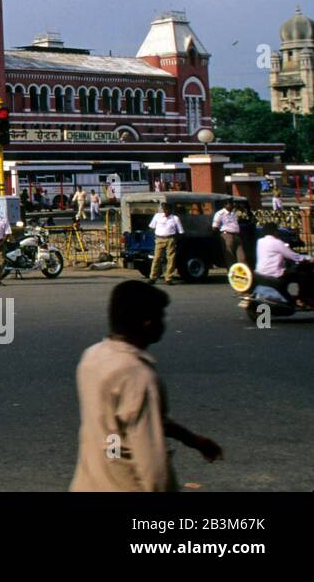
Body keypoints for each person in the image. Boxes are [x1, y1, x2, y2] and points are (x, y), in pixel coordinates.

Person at [71, 280, 222, 491]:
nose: (164, 322)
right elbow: (153, 464)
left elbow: (134, 417)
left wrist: (193, 440)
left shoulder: (93, 356)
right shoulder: (136, 375)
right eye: (162, 316)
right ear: (147, 323)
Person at [255, 222, 312, 297]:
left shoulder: (260, 241)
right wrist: (308, 259)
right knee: (300, 276)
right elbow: (293, 256)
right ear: (275, 231)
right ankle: (299, 299)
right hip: (274, 275)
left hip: (259, 274)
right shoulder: (277, 242)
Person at [147, 201, 183, 285]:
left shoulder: (175, 218)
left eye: (167, 209)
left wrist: (175, 240)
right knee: (156, 258)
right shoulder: (157, 216)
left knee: (170, 258)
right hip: (159, 239)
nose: (165, 211)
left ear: (170, 210)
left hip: (170, 239)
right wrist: (156, 236)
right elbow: (151, 227)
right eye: (164, 209)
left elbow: (181, 231)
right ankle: (153, 277)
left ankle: (169, 278)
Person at [211, 200, 245, 265]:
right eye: (230, 204)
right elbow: (214, 227)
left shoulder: (233, 214)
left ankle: (242, 272)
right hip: (227, 235)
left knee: (242, 257)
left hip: (236, 236)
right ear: (225, 205)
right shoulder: (220, 213)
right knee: (230, 257)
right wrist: (222, 236)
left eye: (232, 204)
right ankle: (232, 273)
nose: (232, 206)